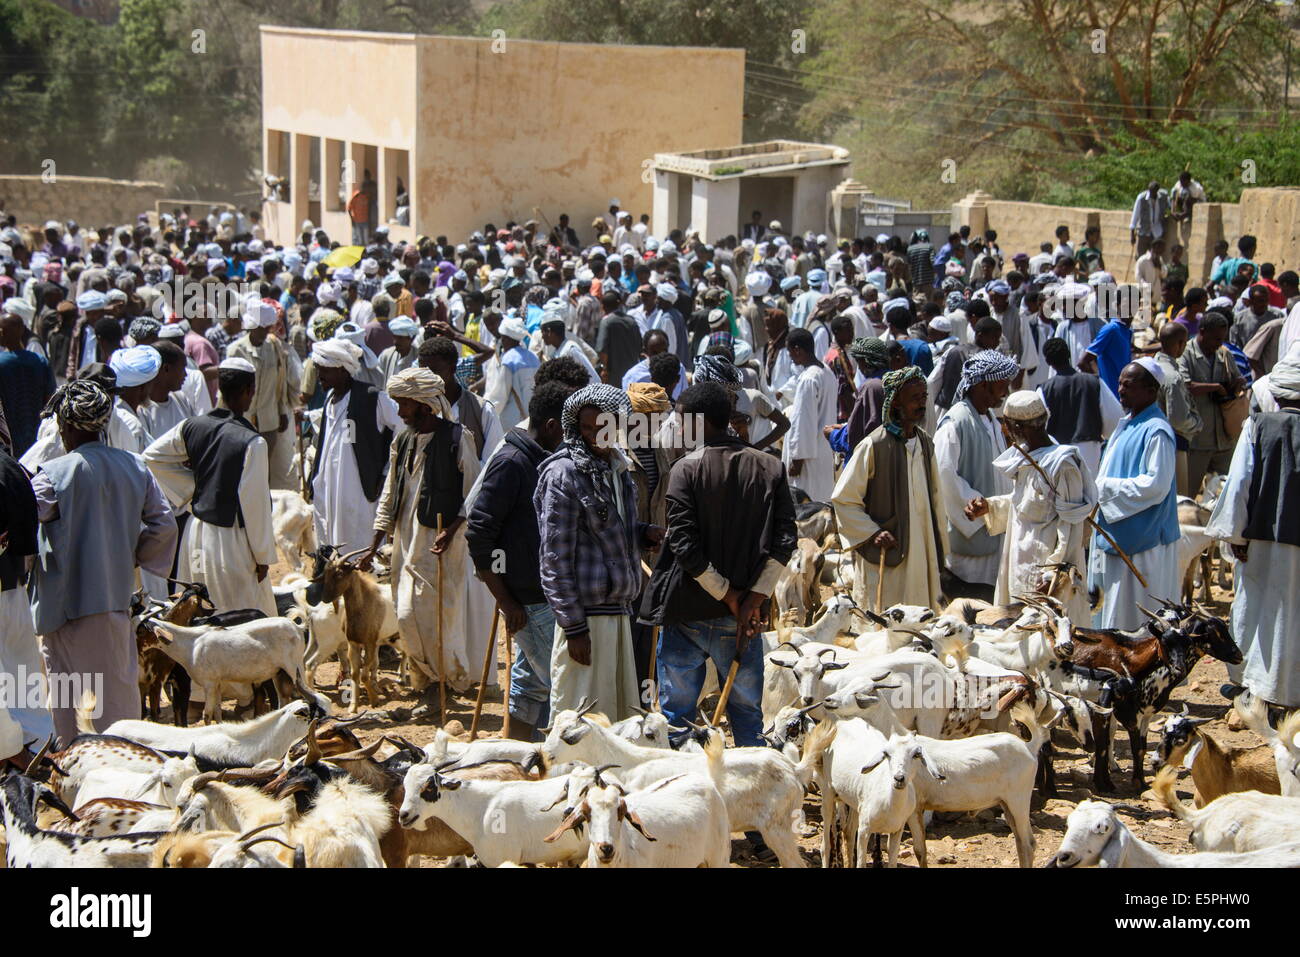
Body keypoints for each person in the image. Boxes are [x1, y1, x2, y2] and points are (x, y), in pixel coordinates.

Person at [645, 380, 797, 750]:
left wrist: (730, 595)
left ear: (698, 423)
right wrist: (750, 598)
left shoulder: (685, 469)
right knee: (747, 716)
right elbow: (785, 542)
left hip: (688, 614)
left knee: (678, 717)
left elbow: (683, 545)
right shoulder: (770, 467)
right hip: (743, 620)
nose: (679, 429)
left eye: (682, 421)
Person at [29, 380, 176, 742]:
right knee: (117, 701)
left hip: (60, 609)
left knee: (67, 704)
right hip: (112, 602)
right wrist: (132, 557)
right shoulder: (135, 468)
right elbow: (164, 524)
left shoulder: (51, 477)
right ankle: (121, 776)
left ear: (65, 427)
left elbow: (22, 518)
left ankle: (76, 776)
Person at [535, 384, 664, 722]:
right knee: (578, 724)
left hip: (619, 615)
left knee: (617, 719)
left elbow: (610, 531)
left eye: (603, 427)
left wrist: (641, 535)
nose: (594, 435)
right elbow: (554, 560)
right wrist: (574, 628)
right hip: (585, 621)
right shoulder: (563, 474)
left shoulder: (619, 470)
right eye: (587, 428)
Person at [362, 368, 483, 693]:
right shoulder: (402, 440)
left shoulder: (458, 438)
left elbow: (473, 493)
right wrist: (375, 542)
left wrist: (453, 530)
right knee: (405, 615)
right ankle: (426, 679)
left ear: (424, 406)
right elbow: (389, 492)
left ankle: (446, 683)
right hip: (405, 541)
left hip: (441, 541)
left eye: (404, 404)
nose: (400, 412)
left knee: (438, 615)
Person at [466, 382, 570, 741]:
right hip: (528, 600)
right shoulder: (512, 463)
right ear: (554, 425)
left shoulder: (541, 459)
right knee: (563, 685)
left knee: (529, 688)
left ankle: (516, 755)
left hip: (541, 595)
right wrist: (506, 600)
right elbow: (479, 534)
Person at [143, 358, 277, 618]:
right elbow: (255, 505)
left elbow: (152, 457)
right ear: (249, 390)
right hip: (232, 542)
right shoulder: (252, 442)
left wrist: (194, 489)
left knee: (198, 615)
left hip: (194, 534)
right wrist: (262, 557)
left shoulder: (192, 426)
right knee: (241, 617)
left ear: (219, 389)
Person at [1207, 352, 1300, 707]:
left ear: (1277, 394)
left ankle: (1256, 687)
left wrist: (1235, 538)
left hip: (1262, 541)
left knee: (1260, 611)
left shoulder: (1258, 426)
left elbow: (1240, 485)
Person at [964, 391, 1097, 623]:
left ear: (1018, 427)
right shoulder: (1026, 458)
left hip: (1045, 571)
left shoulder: (1061, 466)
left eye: (1005, 424)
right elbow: (1023, 504)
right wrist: (990, 507)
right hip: (1018, 561)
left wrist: (1053, 573)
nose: (1004, 430)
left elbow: (1072, 526)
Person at [832, 367, 947, 610]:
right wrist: (872, 532)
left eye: (923, 397)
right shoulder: (874, 445)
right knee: (885, 622)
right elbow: (844, 498)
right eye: (914, 398)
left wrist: (940, 547)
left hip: (923, 548)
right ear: (895, 402)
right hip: (890, 551)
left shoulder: (925, 443)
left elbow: (936, 498)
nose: (921, 403)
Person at [1090, 359, 1181, 630]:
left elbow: (1156, 484)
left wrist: (1102, 489)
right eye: (1119, 383)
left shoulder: (1157, 430)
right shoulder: (1127, 424)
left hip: (1144, 543)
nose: (1120, 390)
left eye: (1128, 386)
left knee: (1140, 620)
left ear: (1151, 390)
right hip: (1116, 533)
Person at [935, 350, 1020, 598]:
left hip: (997, 527)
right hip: (972, 531)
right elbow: (944, 476)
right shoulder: (955, 423)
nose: (1006, 391)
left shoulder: (991, 420)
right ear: (984, 384)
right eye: (1002, 384)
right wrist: (982, 509)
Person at [306, 339, 401, 556]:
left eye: (325, 370)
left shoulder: (371, 397)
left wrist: (387, 471)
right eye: (318, 368)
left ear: (341, 370)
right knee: (330, 543)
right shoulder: (331, 397)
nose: (319, 375)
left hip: (359, 486)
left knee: (359, 541)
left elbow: (401, 426)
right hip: (329, 486)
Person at [0, 444, 53, 750]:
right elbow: (26, 539)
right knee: (21, 673)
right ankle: (33, 746)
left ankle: (11, 751)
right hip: (15, 586)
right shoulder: (13, 467)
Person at [226, 300, 294, 488]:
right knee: (243, 472)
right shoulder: (236, 350)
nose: (266, 332)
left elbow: (280, 382)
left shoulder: (273, 347)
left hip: (269, 421)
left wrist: (281, 411)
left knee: (263, 473)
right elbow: (227, 390)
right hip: (242, 422)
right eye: (262, 328)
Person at [1179, 310, 1246, 496]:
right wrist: (1215, 387)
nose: (1219, 344)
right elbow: (1185, 385)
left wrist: (1237, 384)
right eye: (1216, 339)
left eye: (1222, 339)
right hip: (1198, 439)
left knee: (1227, 492)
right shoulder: (1185, 353)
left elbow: (1237, 378)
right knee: (1187, 494)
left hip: (1224, 439)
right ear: (1202, 331)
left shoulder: (1224, 354)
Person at [1038, 337, 1122, 477]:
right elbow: (1115, 420)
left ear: (1047, 362)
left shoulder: (1044, 389)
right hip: (1089, 452)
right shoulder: (1094, 382)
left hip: (1057, 454)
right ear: (1069, 355)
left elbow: (1039, 427)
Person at [783, 328, 839, 502]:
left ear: (798, 349)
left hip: (808, 460)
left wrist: (796, 461)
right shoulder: (827, 373)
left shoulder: (809, 379)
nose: (790, 356)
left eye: (790, 351)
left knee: (807, 510)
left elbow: (803, 422)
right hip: (823, 452)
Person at [1152, 322, 1203, 495]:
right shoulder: (1172, 376)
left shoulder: (1150, 367)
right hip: (1173, 445)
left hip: (1150, 440)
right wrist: (1197, 424)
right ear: (1180, 344)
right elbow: (1178, 420)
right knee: (1177, 500)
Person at [0, 308, 56, 456]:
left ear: (2, 333)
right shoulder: (40, 361)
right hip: (37, 434)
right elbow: (50, 400)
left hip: (8, 437)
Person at [482, 316, 539, 432]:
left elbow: (500, 395)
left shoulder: (509, 359)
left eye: (503, 339)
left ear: (508, 339)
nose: (502, 342)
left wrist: (483, 411)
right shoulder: (533, 357)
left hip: (512, 420)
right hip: (532, 417)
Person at [1129, 181, 1170, 255]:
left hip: (1157, 232)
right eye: (1151, 191)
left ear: (1157, 191)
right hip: (1144, 232)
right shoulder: (1141, 198)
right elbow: (1135, 215)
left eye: (1154, 191)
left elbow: (1169, 208)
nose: (1152, 193)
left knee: (1155, 256)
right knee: (1141, 255)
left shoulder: (1163, 197)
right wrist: (1132, 234)